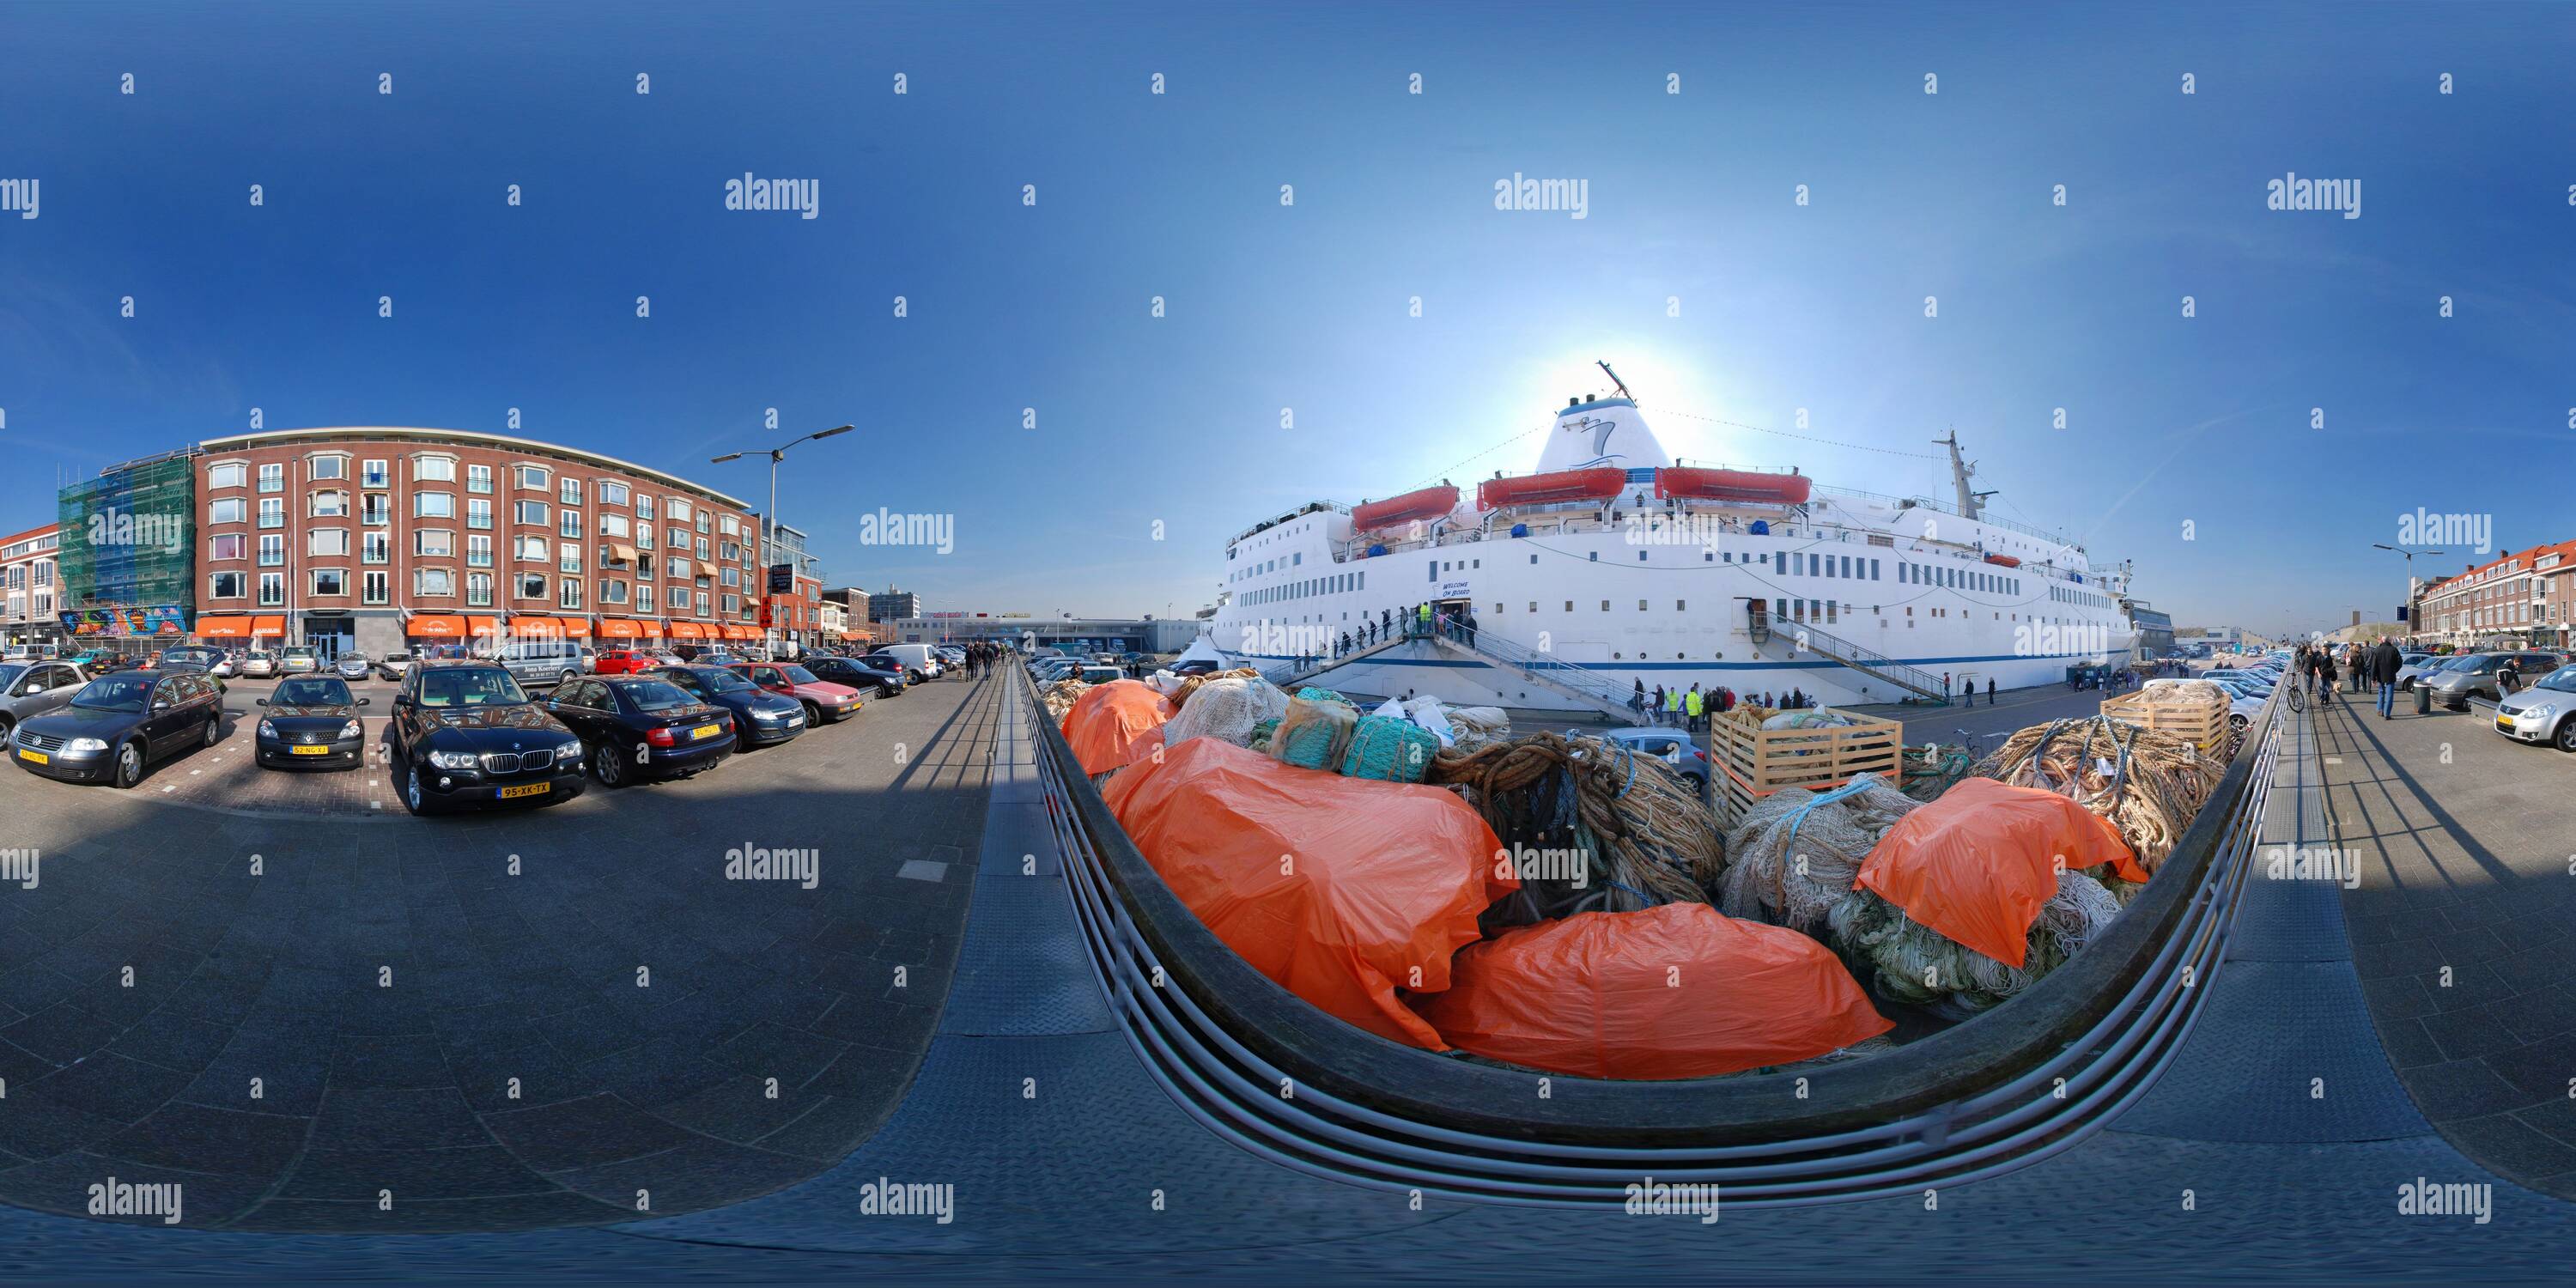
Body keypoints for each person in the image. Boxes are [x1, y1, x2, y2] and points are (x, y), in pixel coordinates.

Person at [2370, 634, 2402, 719]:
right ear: (2389, 640)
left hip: (2380, 676)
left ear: (2382, 640)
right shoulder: (2394, 650)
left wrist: (2373, 678)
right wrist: (2394, 670)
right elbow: (2400, 662)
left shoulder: (2377, 650)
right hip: (2391, 675)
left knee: (2381, 693)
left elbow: (2373, 665)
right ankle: (2387, 714)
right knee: (2389, 695)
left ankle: (2380, 710)